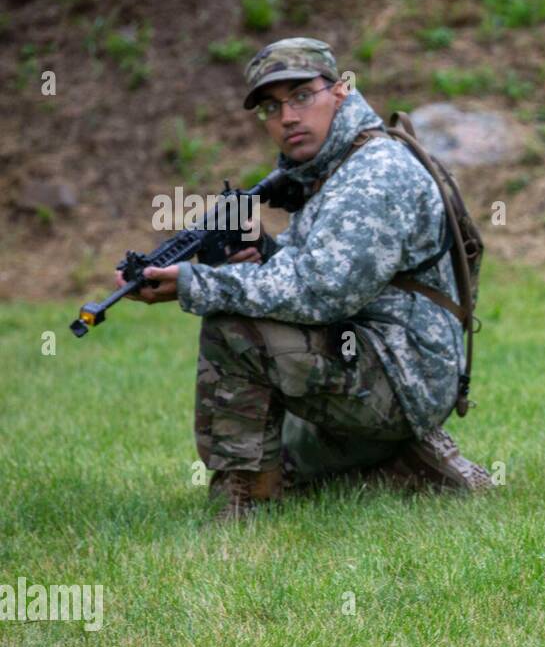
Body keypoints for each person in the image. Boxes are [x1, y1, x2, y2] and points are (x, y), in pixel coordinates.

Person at [120, 37, 492, 522]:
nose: (288, 117)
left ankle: (245, 499)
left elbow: (322, 292)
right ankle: (400, 463)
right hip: (383, 354)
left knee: (235, 328)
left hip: (405, 375)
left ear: (340, 92)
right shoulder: (333, 168)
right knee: (291, 453)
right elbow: (328, 269)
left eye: (301, 96)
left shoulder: (373, 174)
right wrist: (264, 253)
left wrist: (197, 284)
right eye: (271, 108)